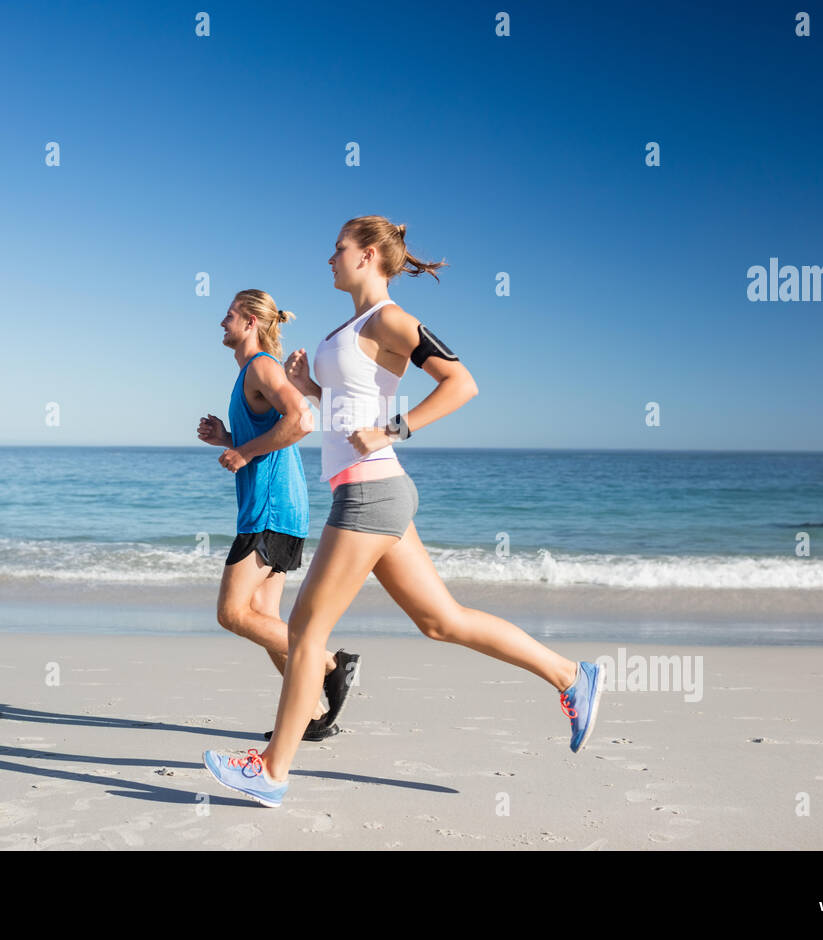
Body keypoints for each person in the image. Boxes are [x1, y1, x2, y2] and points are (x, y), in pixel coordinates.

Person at [203, 219, 606, 807]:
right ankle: (572, 676)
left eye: (339, 249)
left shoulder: (390, 318)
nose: (330, 257)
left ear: (367, 255)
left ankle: (270, 771)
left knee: (307, 631)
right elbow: (349, 409)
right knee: (442, 620)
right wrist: (311, 388)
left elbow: (461, 383)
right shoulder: (351, 326)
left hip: (371, 491)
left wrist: (396, 427)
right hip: (371, 490)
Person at [198, 289, 360, 741]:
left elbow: (302, 420)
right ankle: (308, 714)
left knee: (232, 614)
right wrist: (228, 438)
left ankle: (330, 664)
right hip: (280, 507)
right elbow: (275, 427)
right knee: (265, 615)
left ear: (250, 322)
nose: (221, 322)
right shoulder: (250, 373)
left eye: (228, 315)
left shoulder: (262, 366)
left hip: (270, 509)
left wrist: (245, 452)